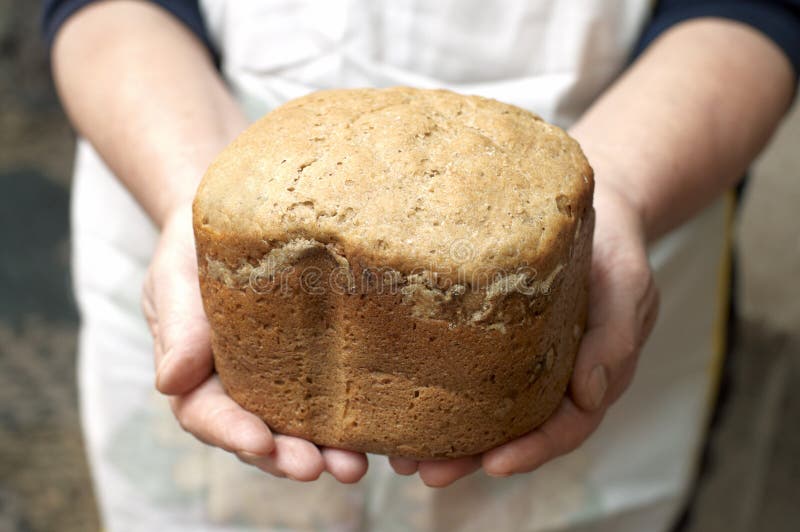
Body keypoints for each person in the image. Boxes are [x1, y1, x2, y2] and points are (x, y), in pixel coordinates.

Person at [44, 0, 799, 530]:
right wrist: (190, 190)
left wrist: (624, 189)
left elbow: (753, 11)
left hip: (633, 150)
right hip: (185, 139)